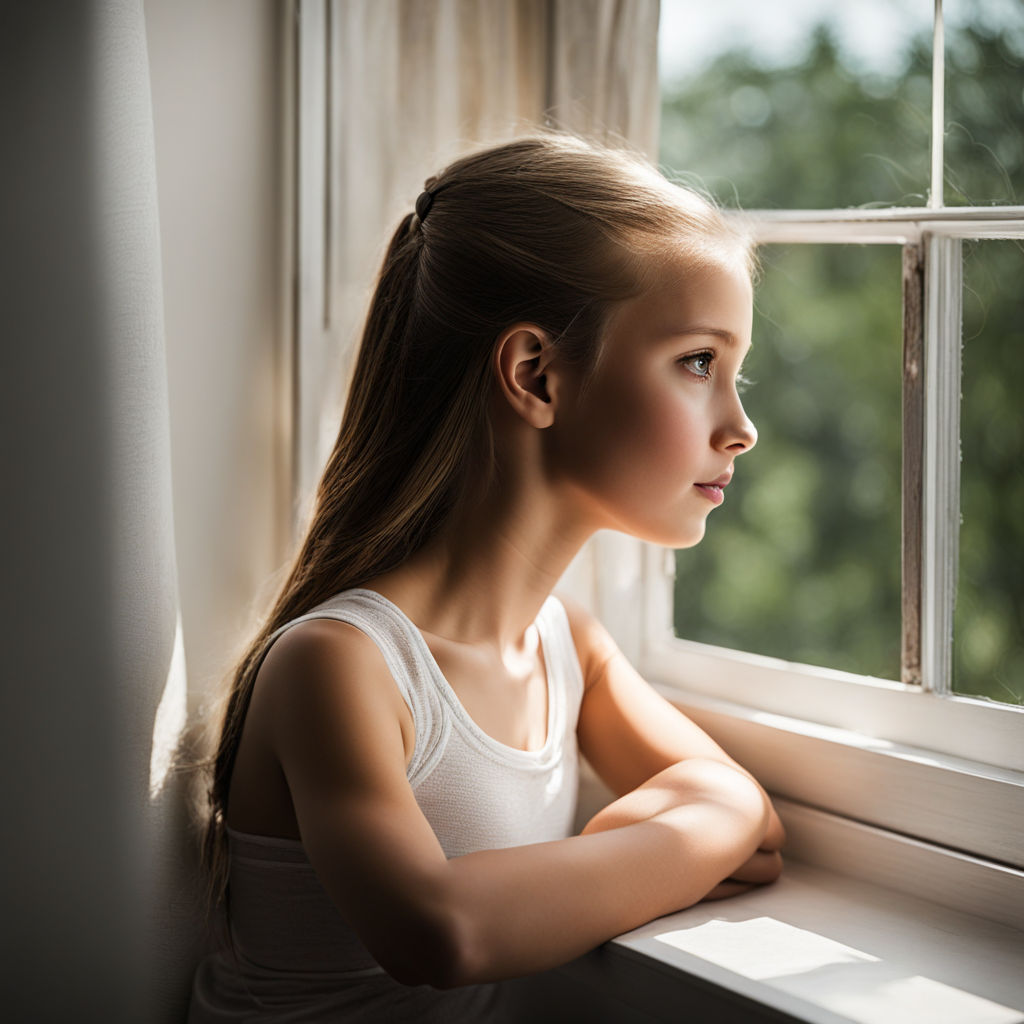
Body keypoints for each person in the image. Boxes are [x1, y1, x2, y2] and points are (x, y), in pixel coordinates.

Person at [188, 132, 785, 1023]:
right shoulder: (338, 666)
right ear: (535, 375)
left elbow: (760, 834)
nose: (741, 427)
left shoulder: (566, 647)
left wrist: (712, 812)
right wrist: (701, 817)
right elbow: (443, 933)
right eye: (699, 363)